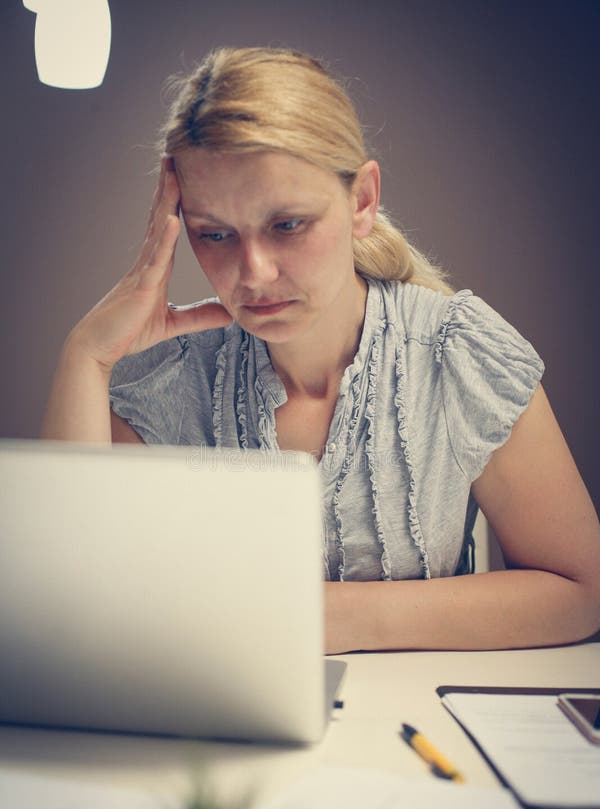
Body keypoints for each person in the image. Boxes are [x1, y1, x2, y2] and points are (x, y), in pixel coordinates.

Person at [41, 46, 600, 653]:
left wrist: (320, 617)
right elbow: (59, 609)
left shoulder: (455, 352)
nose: (252, 273)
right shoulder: (167, 383)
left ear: (361, 200)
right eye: (215, 234)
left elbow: (581, 590)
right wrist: (86, 354)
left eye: (287, 225)